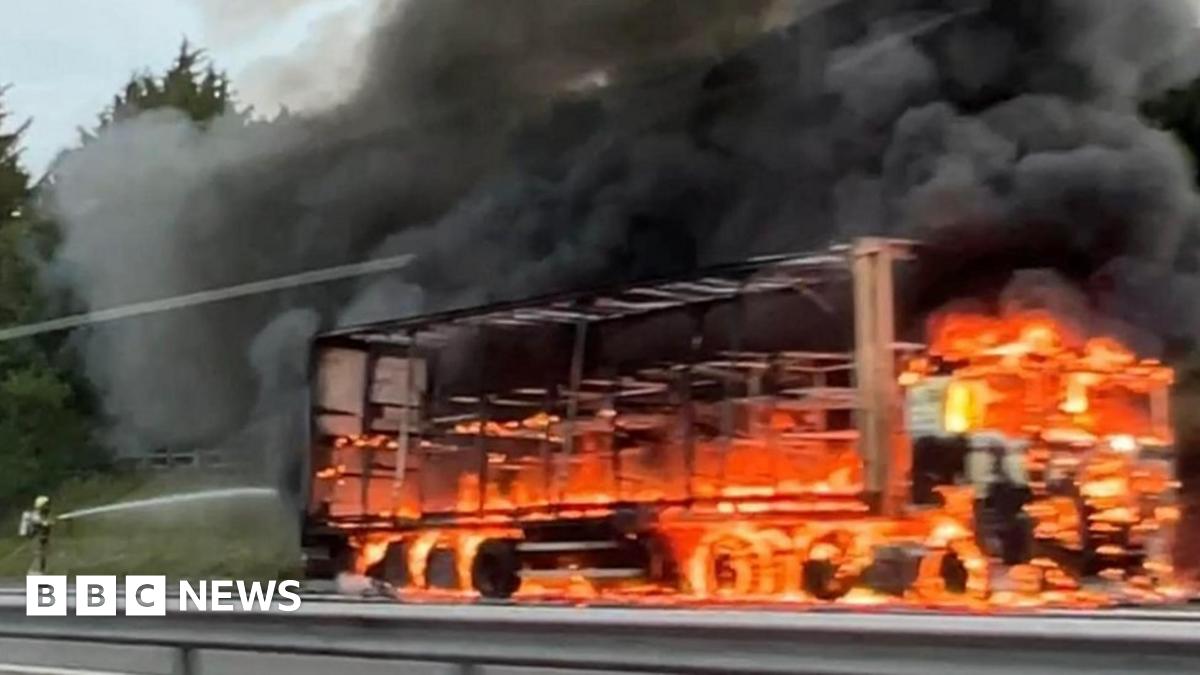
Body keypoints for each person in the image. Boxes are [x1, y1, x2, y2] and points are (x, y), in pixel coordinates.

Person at [23, 496, 54, 574]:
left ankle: (42, 573)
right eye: (47, 505)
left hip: (43, 542)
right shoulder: (34, 515)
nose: (48, 507)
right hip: (36, 542)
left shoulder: (46, 516)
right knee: (38, 560)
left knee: (43, 560)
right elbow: (38, 522)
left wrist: (50, 522)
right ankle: (35, 575)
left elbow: (48, 523)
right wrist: (46, 523)